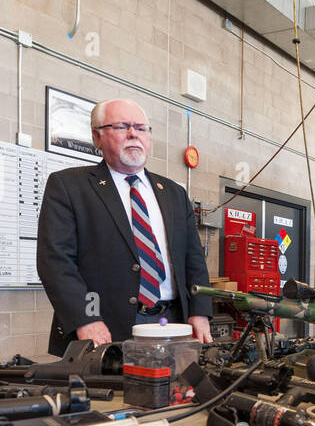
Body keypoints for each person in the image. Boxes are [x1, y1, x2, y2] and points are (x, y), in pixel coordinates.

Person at [36, 99, 213, 354]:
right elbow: (56, 262)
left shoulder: (174, 193)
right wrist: (86, 317)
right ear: (97, 137)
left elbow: (194, 260)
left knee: (176, 393)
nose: (133, 134)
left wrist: (200, 311)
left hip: (174, 321)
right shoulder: (69, 186)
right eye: (121, 127)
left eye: (141, 128)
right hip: (107, 327)